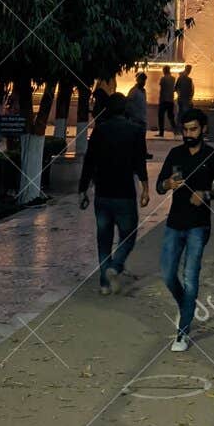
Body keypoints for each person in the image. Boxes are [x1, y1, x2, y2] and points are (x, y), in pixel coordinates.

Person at [156, 109, 214, 352]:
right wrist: (168, 184)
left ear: (204, 129)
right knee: (168, 274)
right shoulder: (175, 154)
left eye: (193, 129)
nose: (189, 134)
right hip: (174, 223)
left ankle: (182, 333)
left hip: (199, 225)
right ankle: (185, 306)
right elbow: (159, 185)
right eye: (185, 130)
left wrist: (206, 194)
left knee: (190, 276)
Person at [78, 79, 150, 294]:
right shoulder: (135, 130)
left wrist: (83, 189)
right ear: (125, 109)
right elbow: (140, 162)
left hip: (103, 195)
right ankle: (116, 266)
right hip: (125, 194)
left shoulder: (99, 131)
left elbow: (89, 162)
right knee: (128, 236)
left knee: (103, 239)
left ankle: (104, 284)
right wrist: (145, 188)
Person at [157, 65, 177, 138]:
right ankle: (175, 131)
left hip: (164, 100)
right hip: (170, 100)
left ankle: (161, 132)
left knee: (161, 116)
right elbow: (174, 89)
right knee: (171, 116)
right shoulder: (173, 79)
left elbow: (162, 90)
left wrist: (160, 99)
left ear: (164, 71)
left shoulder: (163, 79)